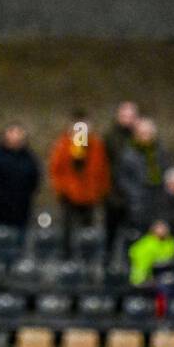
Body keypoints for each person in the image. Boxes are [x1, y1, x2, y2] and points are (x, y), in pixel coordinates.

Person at [48, 109, 111, 260]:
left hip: (90, 197)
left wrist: (100, 191)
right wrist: (62, 190)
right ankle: (66, 259)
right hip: (69, 196)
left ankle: (86, 259)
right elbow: (55, 169)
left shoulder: (96, 145)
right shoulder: (64, 144)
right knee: (67, 231)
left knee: (87, 232)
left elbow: (103, 171)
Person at [0, 122, 40, 245]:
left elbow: (34, 180)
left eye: (18, 133)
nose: (15, 137)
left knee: (19, 244)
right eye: (12, 133)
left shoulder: (29, 158)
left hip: (22, 209)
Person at [116, 117, 169, 239]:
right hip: (137, 204)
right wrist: (135, 196)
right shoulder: (128, 155)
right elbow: (123, 179)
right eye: (142, 133)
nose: (146, 137)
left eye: (149, 133)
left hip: (158, 201)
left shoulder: (161, 152)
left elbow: (167, 173)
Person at [102, 101, 139, 261]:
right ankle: (108, 264)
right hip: (114, 194)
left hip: (136, 196)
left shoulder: (140, 136)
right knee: (111, 234)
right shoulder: (110, 137)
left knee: (132, 236)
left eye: (131, 116)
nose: (128, 119)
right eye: (124, 115)